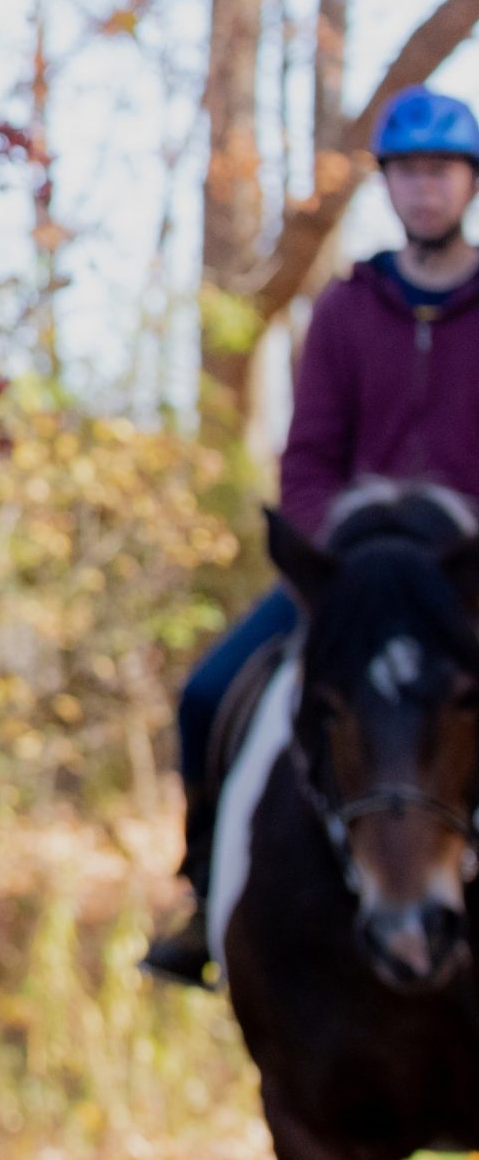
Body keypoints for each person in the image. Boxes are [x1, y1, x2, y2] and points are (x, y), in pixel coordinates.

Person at [145, 83, 479, 986]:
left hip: (466, 583)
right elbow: (308, 459)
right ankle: (202, 893)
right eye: (407, 173)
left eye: (442, 172)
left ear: (469, 184)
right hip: (356, 576)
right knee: (209, 694)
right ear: (388, 185)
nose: (425, 190)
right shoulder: (344, 308)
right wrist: (342, 551)